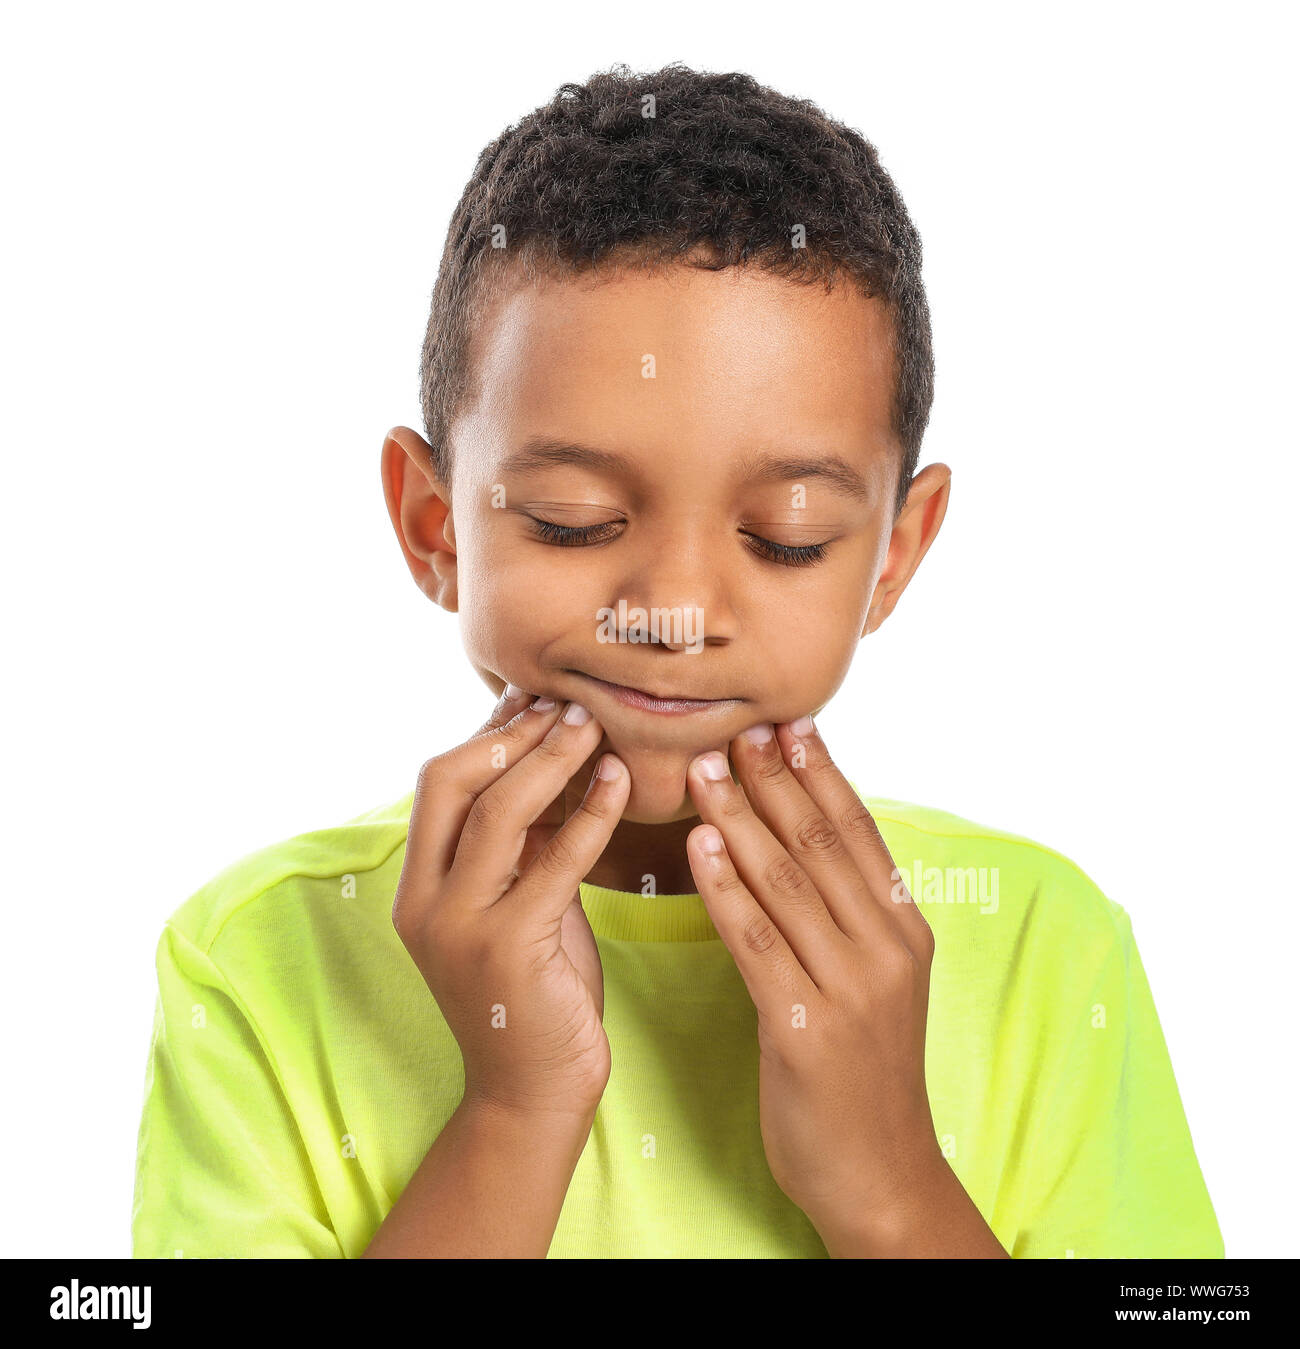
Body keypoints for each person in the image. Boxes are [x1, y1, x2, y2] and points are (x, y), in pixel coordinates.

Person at [131, 62, 1223, 1258]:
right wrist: (514, 1108)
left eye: (784, 538)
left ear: (894, 558)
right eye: (570, 517)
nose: (671, 610)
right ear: (435, 525)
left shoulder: (1043, 944)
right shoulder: (256, 958)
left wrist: (892, 1181)